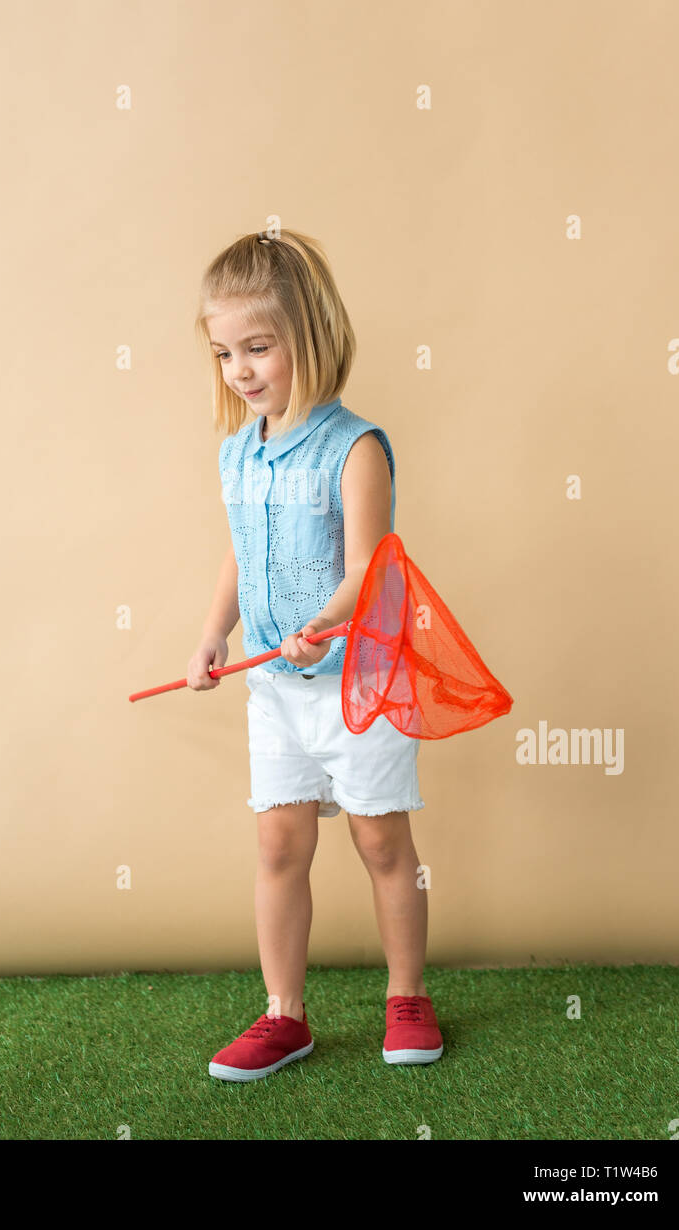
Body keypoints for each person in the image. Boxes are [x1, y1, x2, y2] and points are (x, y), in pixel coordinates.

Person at [187, 227, 443, 1081]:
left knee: (379, 845)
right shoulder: (238, 453)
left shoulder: (354, 447)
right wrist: (214, 633)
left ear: (312, 334)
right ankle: (283, 1017)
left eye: (258, 347)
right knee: (278, 848)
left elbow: (371, 565)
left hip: (356, 682)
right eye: (224, 353)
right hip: (276, 692)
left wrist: (324, 622)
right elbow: (236, 553)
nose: (240, 371)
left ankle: (405, 997)